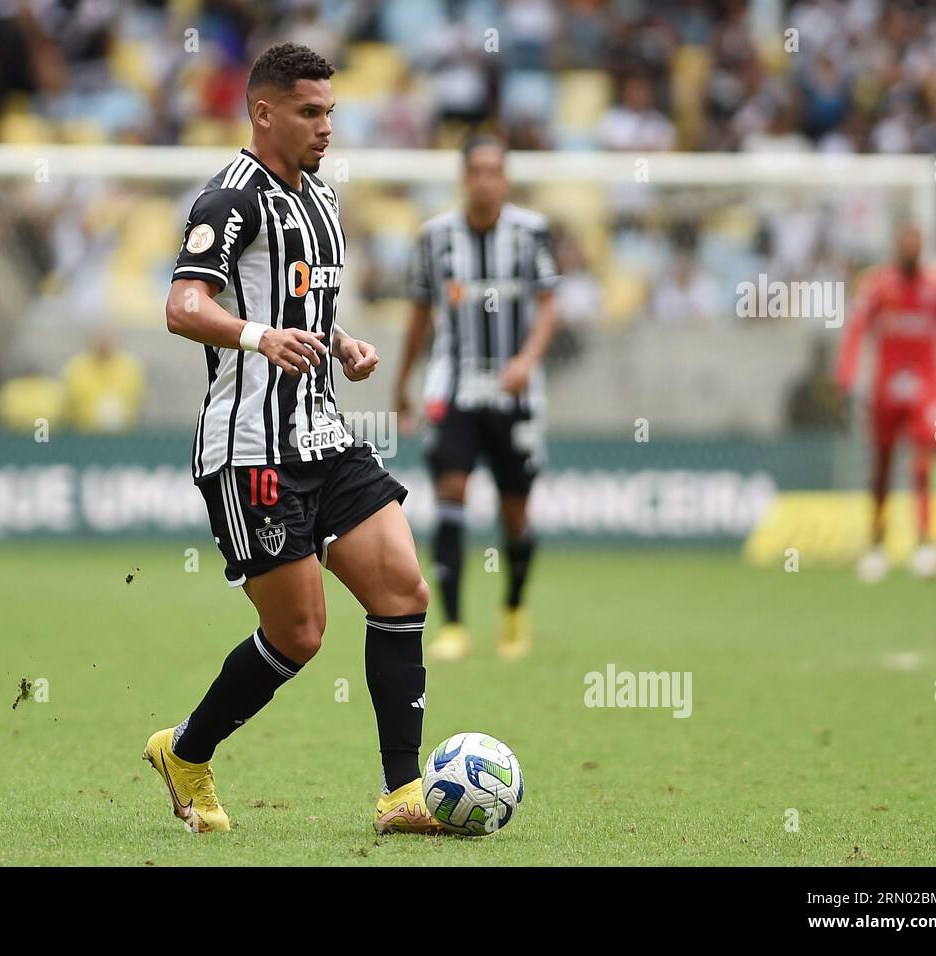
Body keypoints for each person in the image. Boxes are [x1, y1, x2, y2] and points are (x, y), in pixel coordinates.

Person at [143, 43, 437, 835]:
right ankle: (186, 751)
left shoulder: (320, 201)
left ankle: (402, 794)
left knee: (404, 589)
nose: (325, 127)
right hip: (250, 450)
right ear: (264, 111)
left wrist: (342, 343)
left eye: (331, 112)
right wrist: (258, 337)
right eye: (310, 112)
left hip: (324, 434)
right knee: (300, 635)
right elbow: (183, 306)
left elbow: (304, 302)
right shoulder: (227, 199)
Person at [392, 133, 561, 662]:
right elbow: (419, 314)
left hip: (515, 392)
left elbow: (551, 304)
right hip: (453, 386)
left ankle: (512, 608)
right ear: (464, 178)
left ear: (505, 178)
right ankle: (455, 624)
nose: (485, 179)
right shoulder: (435, 238)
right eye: (476, 170)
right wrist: (402, 384)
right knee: (450, 494)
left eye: (495, 170)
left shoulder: (531, 233)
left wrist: (527, 360)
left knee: (515, 512)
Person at [836, 224, 936, 581]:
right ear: (897, 248)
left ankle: (925, 541)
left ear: (922, 248)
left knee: (923, 465)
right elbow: (855, 334)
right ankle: (876, 542)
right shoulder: (877, 288)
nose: (910, 250)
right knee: (881, 468)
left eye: (916, 244)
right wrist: (846, 382)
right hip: (884, 391)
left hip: (926, 391)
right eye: (905, 244)